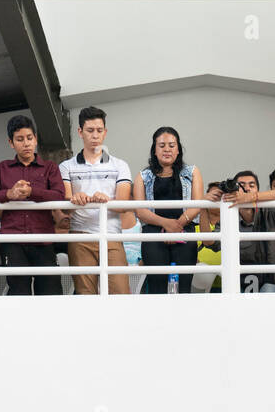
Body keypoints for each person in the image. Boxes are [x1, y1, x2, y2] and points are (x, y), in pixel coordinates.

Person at [0, 115, 65, 295]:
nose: (26, 143)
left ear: (36, 139)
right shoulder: (2, 168)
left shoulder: (50, 168)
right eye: (20, 139)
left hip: (43, 239)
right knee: (18, 292)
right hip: (13, 240)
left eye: (29, 138)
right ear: (11, 143)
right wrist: (9, 194)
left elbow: (59, 196)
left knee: (50, 292)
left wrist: (32, 193)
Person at [59, 106, 132, 296]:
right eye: (90, 130)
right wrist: (74, 199)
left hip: (111, 236)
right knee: (86, 296)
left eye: (99, 130)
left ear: (105, 132)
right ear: (80, 132)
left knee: (120, 292)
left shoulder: (120, 165)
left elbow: (123, 204)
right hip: (80, 237)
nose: (95, 135)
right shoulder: (66, 166)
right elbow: (65, 203)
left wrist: (106, 200)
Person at [133, 126, 204, 294]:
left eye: (172, 145)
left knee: (184, 287)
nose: (167, 149)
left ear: (178, 149)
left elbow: (197, 204)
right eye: (162, 145)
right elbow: (141, 211)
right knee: (157, 287)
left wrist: (176, 227)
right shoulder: (142, 176)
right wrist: (166, 225)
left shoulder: (192, 172)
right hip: (153, 234)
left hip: (184, 231)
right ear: (154, 150)